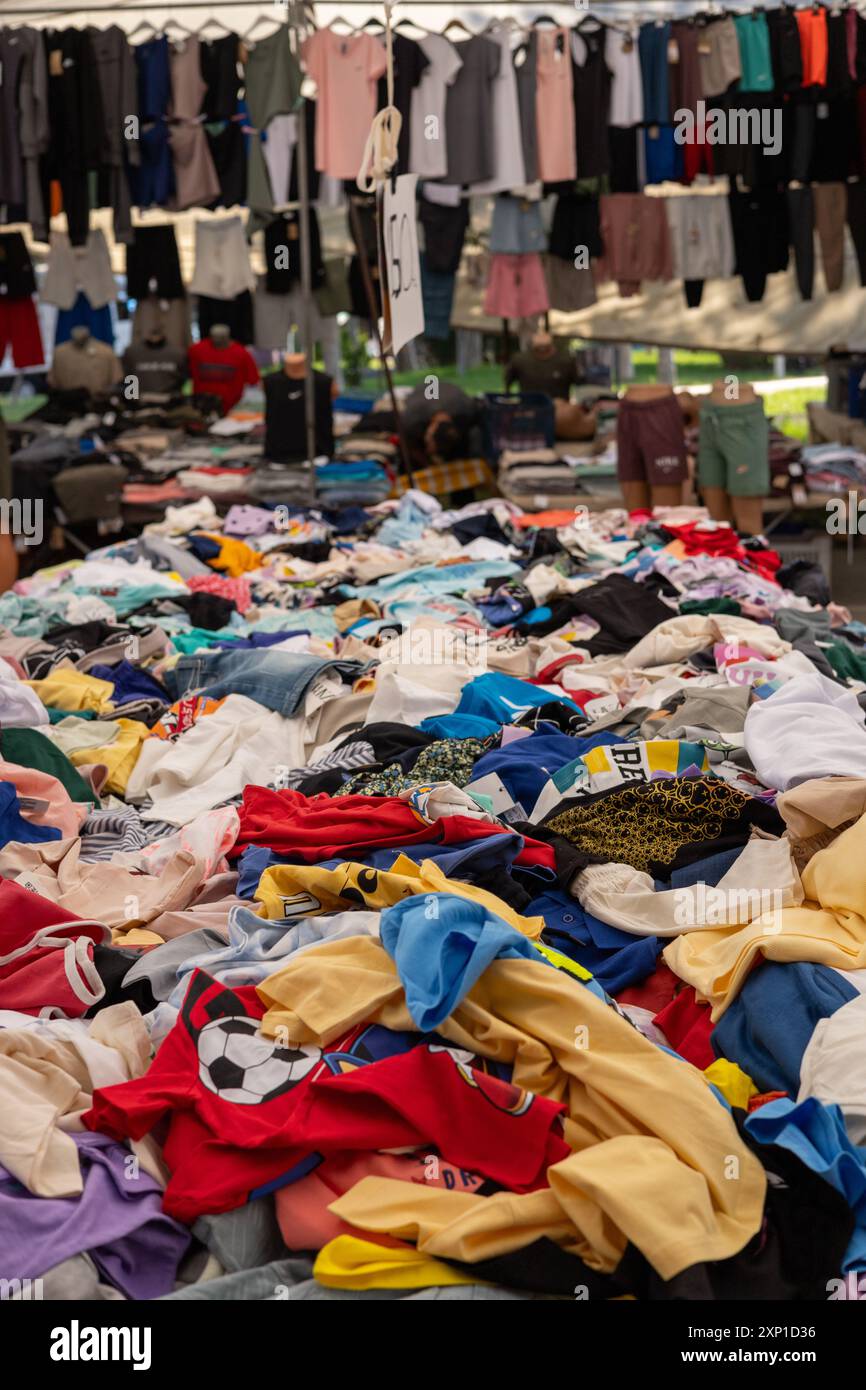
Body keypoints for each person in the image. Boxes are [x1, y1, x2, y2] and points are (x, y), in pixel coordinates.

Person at [400, 381, 483, 467]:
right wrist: (428, 465)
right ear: (429, 432)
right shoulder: (412, 420)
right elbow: (409, 447)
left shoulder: (467, 411)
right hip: (423, 390)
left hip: (447, 391)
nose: (429, 449)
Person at [504, 330, 583, 399]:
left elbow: (578, 381)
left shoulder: (566, 361)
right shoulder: (520, 360)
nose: (542, 351)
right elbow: (507, 380)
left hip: (558, 408)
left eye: (545, 348)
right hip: (529, 406)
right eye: (539, 349)